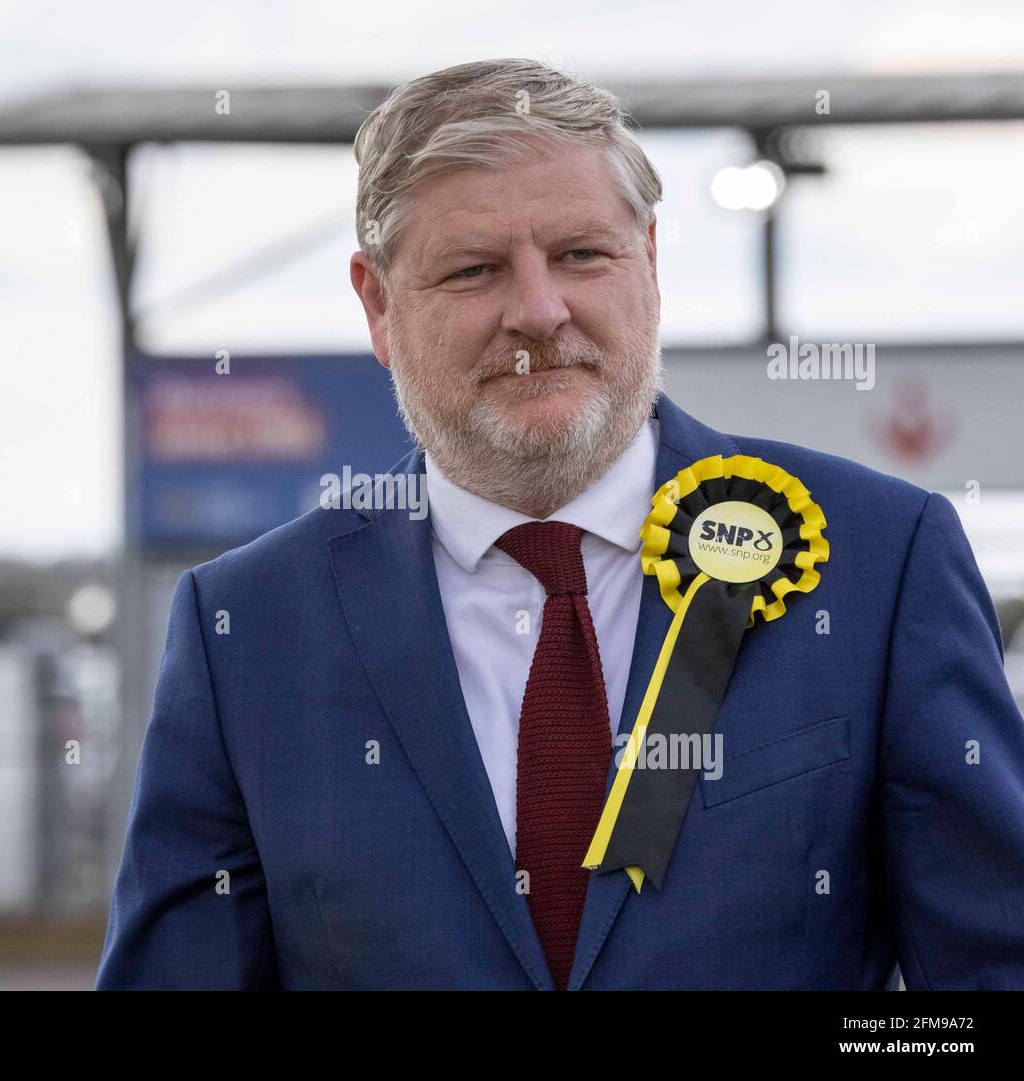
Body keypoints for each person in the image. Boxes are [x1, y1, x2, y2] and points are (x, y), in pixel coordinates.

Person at [96, 58, 1024, 990]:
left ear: (650, 262)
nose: (538, 311)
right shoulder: (245, 631)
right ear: (378, 305)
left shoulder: (879, 562)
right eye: (473, 270)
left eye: (582, 254)